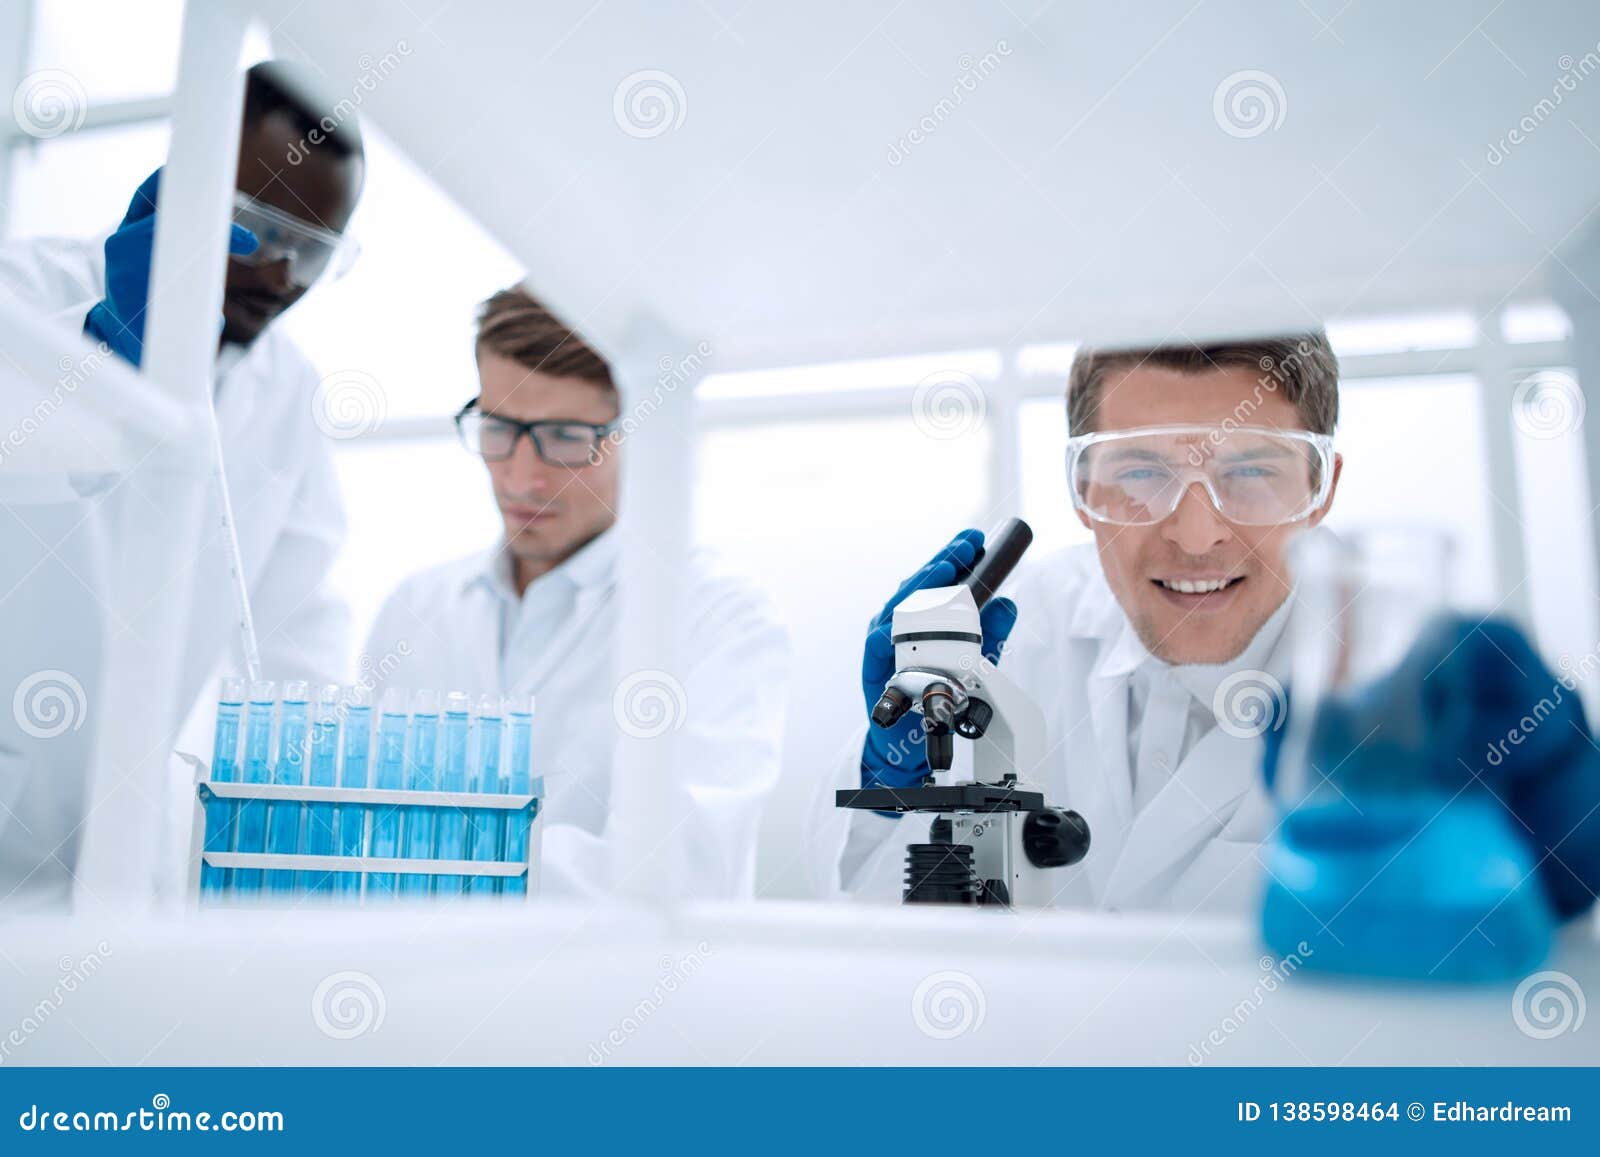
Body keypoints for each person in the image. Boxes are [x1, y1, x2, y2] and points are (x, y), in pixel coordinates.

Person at [0, 61, 364, 909]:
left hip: (116, 849)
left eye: (312, 251)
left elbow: (296, 636)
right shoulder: (28, 292)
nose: (280, 276)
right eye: (257, 230)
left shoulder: (288, 392)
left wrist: (321, 802)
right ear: (188, 183)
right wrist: (103, 360)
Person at [824, 334, 1345, 912]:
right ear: (1080, 488)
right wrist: (888, 781)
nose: (1196, 536)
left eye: (1249, 470)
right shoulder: (1016, 631)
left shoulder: (1388, 692)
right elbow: (868, 906)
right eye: (1142, 473)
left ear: (1321, 488)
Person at [363, 285, 789, 900]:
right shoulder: (416, 608)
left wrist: (425, 861)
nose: (522, 478)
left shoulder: (719, 615)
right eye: (497, 428)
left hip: (610, 967)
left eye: (565, 437)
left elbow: (685, 871)